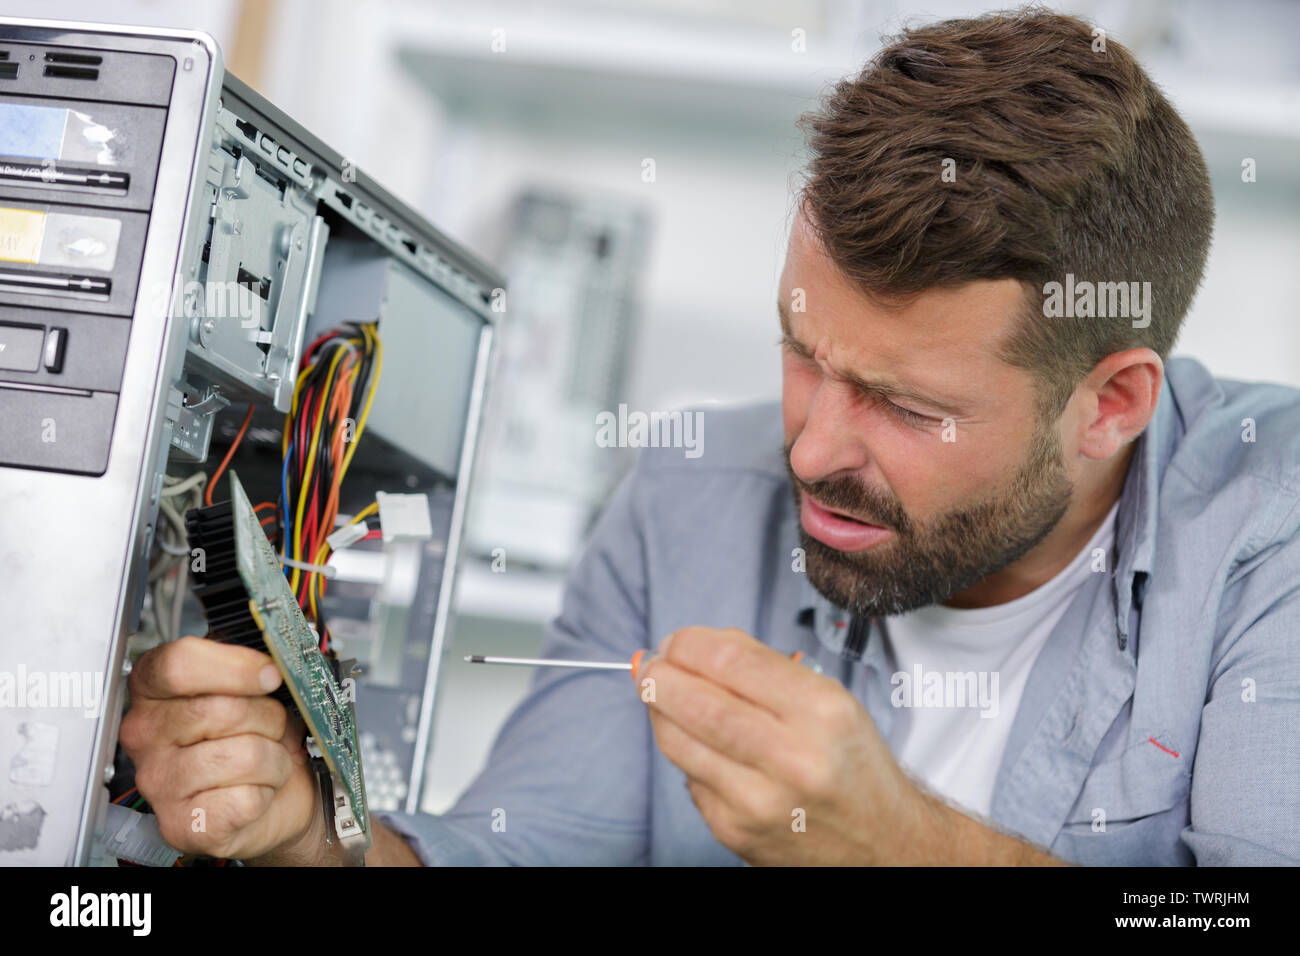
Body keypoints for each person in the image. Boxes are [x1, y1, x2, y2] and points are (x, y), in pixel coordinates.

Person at [120, 7, 1300, 865]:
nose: (807, 448)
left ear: (1110, 404)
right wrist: (308, 843)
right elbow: (520, 849)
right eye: (800, 352)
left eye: (905, 405)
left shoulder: (1270, 524)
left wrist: (895, 846)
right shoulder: (688, 494)